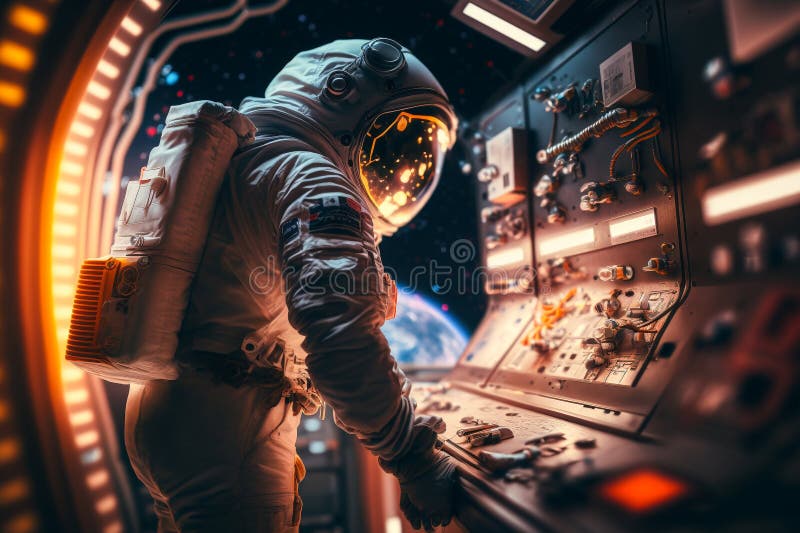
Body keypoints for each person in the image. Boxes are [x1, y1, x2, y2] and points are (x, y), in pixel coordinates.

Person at [125, 38, 460, 532]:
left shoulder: (249, 160)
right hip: (226, 434)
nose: (401, 168)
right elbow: (341, 338)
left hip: (165, 411)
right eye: (394, 142)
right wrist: (411, 455)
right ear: (340, 96)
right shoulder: (310, 178)